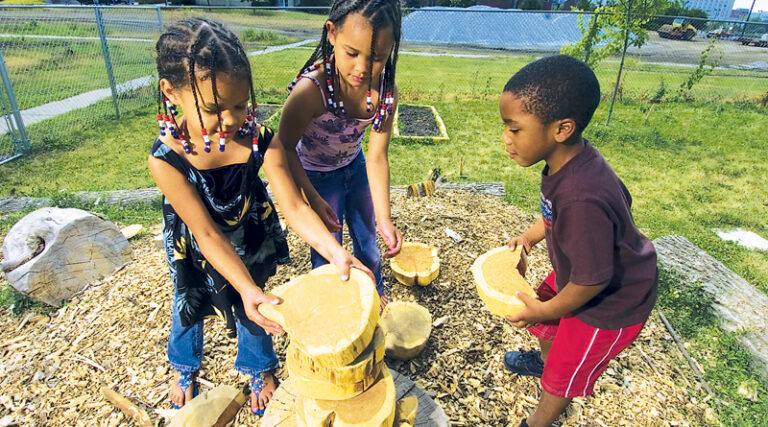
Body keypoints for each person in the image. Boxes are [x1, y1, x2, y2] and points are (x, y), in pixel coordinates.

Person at [149, 17, 371, 415]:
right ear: (172, 92)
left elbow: (295, 206)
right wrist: (244, 288)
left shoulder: (259, 139)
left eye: (240, 104)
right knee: (189, 302)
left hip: (248, 233)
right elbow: (205, 233)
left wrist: (334, 251)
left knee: (258, 303)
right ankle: (184, 366)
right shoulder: (166, 159)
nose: (232, 119)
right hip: (199, 243)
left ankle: (258, 368)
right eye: (215, 109)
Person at [498, 55, 658, 427]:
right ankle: (545, 360)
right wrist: (530, 237)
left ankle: (540, 418)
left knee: (563, 374)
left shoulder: (582, 195)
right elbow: (552, 211)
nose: (505, 138)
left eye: (515, 129)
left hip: (607, 302)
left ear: (561, 129)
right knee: (546, 319)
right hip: (578, 274)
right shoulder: (568, 162)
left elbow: (593, 281)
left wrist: (544, 310)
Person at [277, 0, 404, 309]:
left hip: (356, 166)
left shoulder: (385, 91)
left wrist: (384, 218)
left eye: (377, 58)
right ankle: (330, 306)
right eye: (352, 53)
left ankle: (373, 292)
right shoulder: (311, 90)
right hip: (316, 177)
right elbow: (284, 149)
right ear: (331, 34)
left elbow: (376, 157)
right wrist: (310, 195)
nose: (362, 68)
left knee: (368, 239)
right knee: (328, 249)